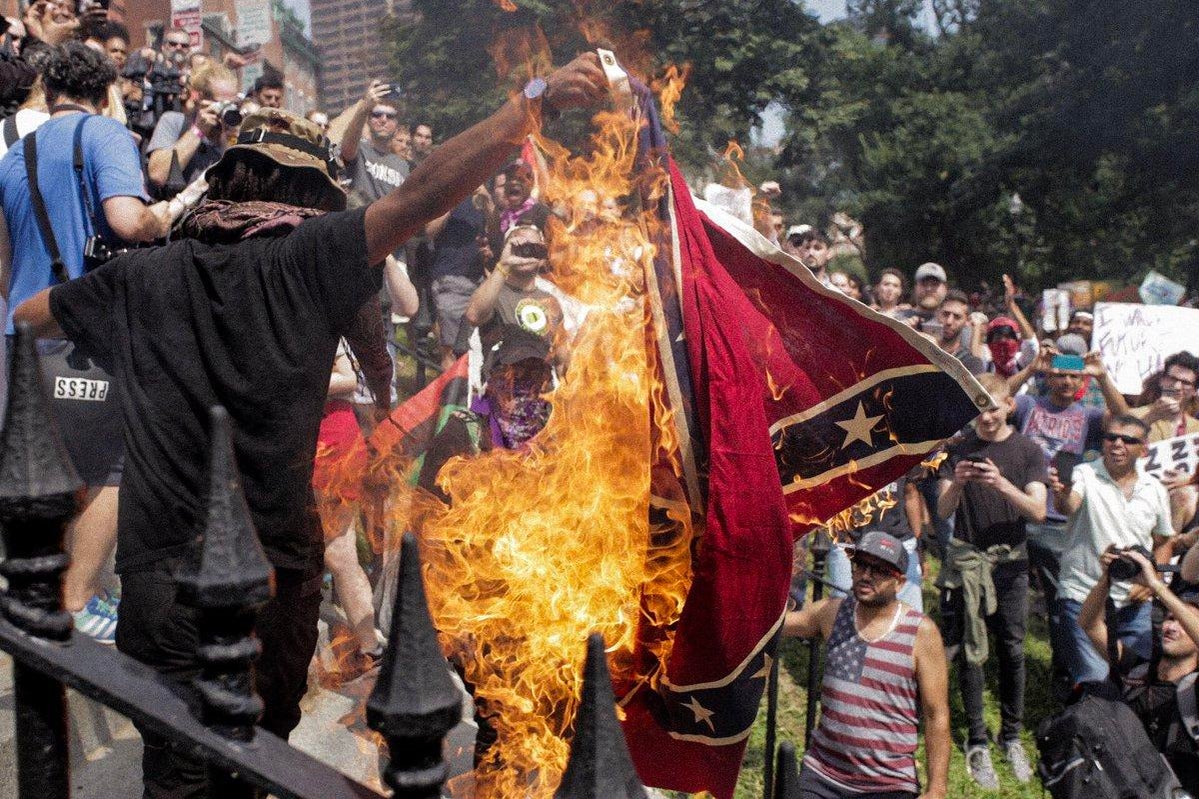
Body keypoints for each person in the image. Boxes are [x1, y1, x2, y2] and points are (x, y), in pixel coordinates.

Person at [13, 54, 607, 795]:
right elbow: (424, 194)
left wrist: (117, 301)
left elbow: (31, 317)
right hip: (273, 574)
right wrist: (533, 102)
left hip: (161, 571)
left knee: (174, 775)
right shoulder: (311, 256)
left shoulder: (140, 277)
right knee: (255, 764)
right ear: (308, 196)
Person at [0, 42, 187, 644]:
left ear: (47, 91)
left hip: (22, 335)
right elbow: (129, 221)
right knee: (116, 464)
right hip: (89, 332)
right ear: (105, 89)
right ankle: (77, 598)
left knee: (49, 472)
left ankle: (45, 596)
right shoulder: (106, 136)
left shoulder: (11, 153)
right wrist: (174, 211)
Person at [935, 373, 1047, 787]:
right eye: (978, 406)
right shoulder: (960, 449)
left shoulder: (1028, 451)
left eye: (993, 405)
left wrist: (1001, 483)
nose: (986, 415)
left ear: (1009, 405)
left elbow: (1037, 511)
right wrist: (960, 482)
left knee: (1013, 647)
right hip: (968, 562)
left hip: (1011, 564)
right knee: (972, 649)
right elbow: (944, 512)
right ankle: (978, 740)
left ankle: (1012, 735)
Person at [784, 531, 949, 799]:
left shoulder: (921, 632)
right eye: (860, 564)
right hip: (823, 775)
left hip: (887, 783)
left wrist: (937, 788)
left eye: (880, 570)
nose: (866, 575)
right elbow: (774, 624)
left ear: (900, 582)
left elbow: (936, 714)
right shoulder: (833, 613)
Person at [1049, 414, 1174, 686]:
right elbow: (1068, 506)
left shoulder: (1155, 489)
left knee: (1140, 679)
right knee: (1097, 679)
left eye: (1128, 439)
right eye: (1111, 437)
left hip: (1134, 604)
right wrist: (1062, 492)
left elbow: (1164, 541)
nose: (1118, 444)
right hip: (1082, 596)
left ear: (1144, 448)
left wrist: (1152, 582)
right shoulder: (1084, 473)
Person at [1080, 546, 1199, 796]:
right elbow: (1089, 624)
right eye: (1168, 618)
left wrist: (1157, 587)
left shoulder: (1193, 692)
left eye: (1181, 621)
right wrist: (1106, 580)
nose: (1171, 627)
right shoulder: (1138, 671)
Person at [825, 470, 925, 612]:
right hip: (851, 543)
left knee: (909, 614)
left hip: (898, 543)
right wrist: (840, 538)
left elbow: (911, 494)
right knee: (844, 609)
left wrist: (918, 544)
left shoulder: (904, 449)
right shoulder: (842, 451)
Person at [461, 224, 564, 361]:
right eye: (519, 247)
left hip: (542, 379)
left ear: (542, 257)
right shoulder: (493, 292)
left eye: (534, 248)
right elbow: (474, 316)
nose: (526, 252)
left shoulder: (551, 300)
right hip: (502, 377)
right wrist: (504, 264)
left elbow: (562, 358)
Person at [145, 61, 239, 195]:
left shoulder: (235, 132)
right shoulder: (174, 121)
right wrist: (198, 131)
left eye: (232, 104)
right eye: (222, 104)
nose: (228, 110)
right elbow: (158, 175)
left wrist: (230, 142)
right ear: (200, 98)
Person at [428, 185, 493, 368]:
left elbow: (495, 231)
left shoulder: (481, 201)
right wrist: (453, 200)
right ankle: (450, 395)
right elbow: (428, 232)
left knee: (474, 348)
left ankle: (467, 394)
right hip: (450, 278)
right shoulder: (447, 195)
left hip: (479, 281)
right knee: (449, 348)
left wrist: (488, 202)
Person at [339, 79, 408, 205]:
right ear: (368, 120)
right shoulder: (359, 150)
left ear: (397, 124)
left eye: (390, 116)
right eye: (377, 114)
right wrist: (365, 108)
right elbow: (347, 149)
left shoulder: (404, 166)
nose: (383, 120)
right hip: (361, 221)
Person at [934, 290, 986, 374]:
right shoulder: (921, 351)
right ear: (937, 314)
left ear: (966, 321)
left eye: (957, 317)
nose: (949, 322)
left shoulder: (970, 363)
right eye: (945, 314)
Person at [498, 160, 550, 234]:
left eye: (520, 179)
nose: (513, 182)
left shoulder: (541, 213)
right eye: (510, 178)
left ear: (531, 183)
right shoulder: (503, 217)